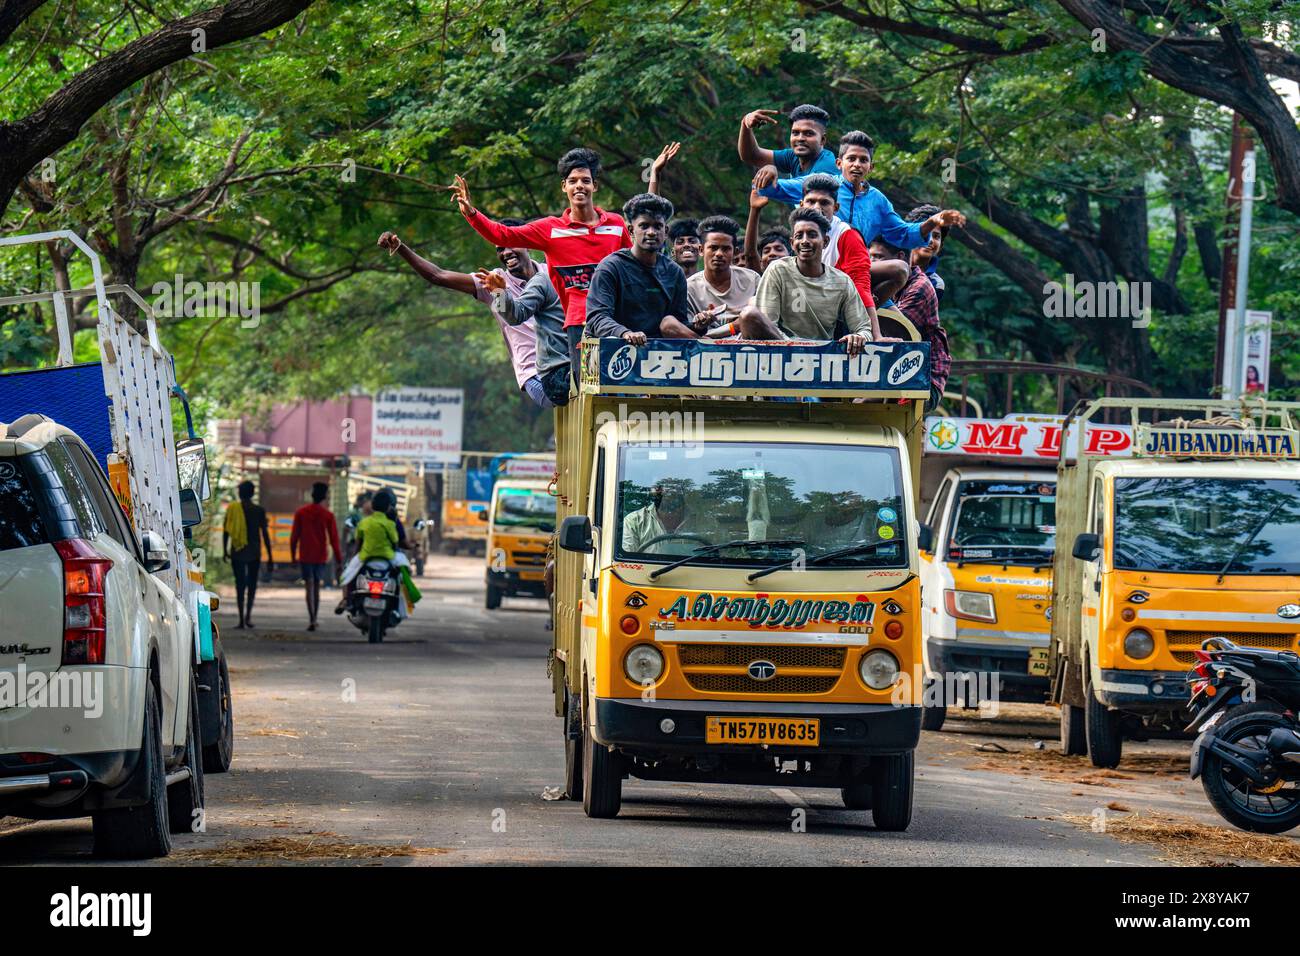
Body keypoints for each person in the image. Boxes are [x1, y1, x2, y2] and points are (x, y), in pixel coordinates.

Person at [452, 147, 632, 380]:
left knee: (622, 383)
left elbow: (633, 264)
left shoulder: (616, 224)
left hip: (615, 319)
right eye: (573, 181)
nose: (579, 186)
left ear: (594, 186)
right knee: (589, 388)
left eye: (585, 181)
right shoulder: (550, 229)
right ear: (564, 186)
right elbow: (503, 235)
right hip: (579, 322)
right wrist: (471, 212)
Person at [759, 130, 966, 292]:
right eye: (852, 159)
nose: (857, 164)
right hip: (815, 267)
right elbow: (770, 188)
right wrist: (771, 169)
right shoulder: (822, 185)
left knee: (898, 286)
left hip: (857, 273)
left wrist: (934, 221)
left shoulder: (878, 201)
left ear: (871, 167)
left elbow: (903, 234)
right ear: (840, 163)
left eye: (863, 160)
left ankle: (870, 309)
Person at [377, 228, 558, 408]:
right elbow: (438, 276)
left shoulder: (552, 273)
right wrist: (400, 247)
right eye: (500, 249)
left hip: (563, 362)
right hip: (535, 374)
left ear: (527, 244)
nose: (506, 252)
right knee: (561, 393)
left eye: (511, 244)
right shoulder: (492, 282)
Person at [736, 208, 871, 354]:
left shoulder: (842, 281)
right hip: (781, 352)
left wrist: (858, 337)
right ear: (793, 243)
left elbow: (864, 328)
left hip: (823, 355)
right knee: (748, 315)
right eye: (799, 236)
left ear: (825, 241)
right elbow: (768, 324)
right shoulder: (778, 269)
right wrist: (796, 349)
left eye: (812, 235)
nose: (805, 241)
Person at [583, 193, 696, 343]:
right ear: (631, 231)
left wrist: (699, 326)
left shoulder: (674, 272)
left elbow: (679, 322)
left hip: (661, 354)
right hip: (615, 352)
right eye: (644, 226)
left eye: (657, 226)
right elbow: (597, 317)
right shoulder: (610, 268)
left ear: (666, 232)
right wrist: (624, 333)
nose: (651, 232)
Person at [869, 235, 950, 411]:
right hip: (890, 370)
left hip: (923, 379)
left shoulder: (919, 288)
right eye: (870, 257)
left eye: (878, 257)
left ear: (900, 260)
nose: (873, 263)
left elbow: (896, 333)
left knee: (858, 406)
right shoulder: (886, 285)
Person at [797, 173, 884, 339]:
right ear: (801, 205)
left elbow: (860, 284)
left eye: (824, 203)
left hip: (835, 311)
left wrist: (876, 335)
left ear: (835, 208)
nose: (817, 208)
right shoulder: (796, 234)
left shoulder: (847, 235)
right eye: (811, 202)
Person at [476, 265, 571, 406]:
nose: (507, 252)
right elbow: (512, 316)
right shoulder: (543, 280)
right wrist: (498, 293)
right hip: (541, 373)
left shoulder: (591, 277)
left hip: (575, 365)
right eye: (500, 249)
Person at [685, 215, 761, 337]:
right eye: (713, 248)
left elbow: (763, 321)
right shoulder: (688, 288)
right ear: (701, 250)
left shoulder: (752, 280)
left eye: (725, 249)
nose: (719, 254)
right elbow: (688, 333)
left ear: (735, 252)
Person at [738, 104, 839, 190]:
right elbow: (751, 156)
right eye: (795, 133)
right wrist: (745, 123)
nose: (800, 138)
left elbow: (805, 189)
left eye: (808, 133)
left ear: (822, 140)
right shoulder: (793, 157)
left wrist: (770, 177)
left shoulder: (827, 166)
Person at [290, 481, 343, 631]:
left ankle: (311, 618)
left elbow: (294, 537)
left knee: (309, 586)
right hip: (320, 556)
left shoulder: (301, 512)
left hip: (305, 555)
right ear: (325, 496)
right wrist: (339, 560)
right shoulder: (328, 515)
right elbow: (334, 540)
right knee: (316, 587)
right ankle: (314, 618)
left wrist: (293, 556)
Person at [222, 480, 273, 630]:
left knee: (240, 585)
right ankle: (248, 616)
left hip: (237, 552)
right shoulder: (259, 510)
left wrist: (225, 550)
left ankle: (241, 619)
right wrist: (270, 556)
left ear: (240, 493)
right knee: (252, 584)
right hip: (254, 552)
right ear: (252, 493)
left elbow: (226, 530)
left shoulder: (232, 509)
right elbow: (265, 534)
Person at [621, 483, 715, 555]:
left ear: (684, 496)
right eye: (663, 492)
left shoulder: (707, 523)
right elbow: (625, 563)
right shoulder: (634, 521)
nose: (669, 495)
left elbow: (723, 555)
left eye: (674, 491)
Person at [905, 203, 947, 301]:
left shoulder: (935, 283)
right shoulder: (888, 259)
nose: (931, 240)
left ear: (941, 246)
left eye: (936, 236)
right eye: (925, 233)